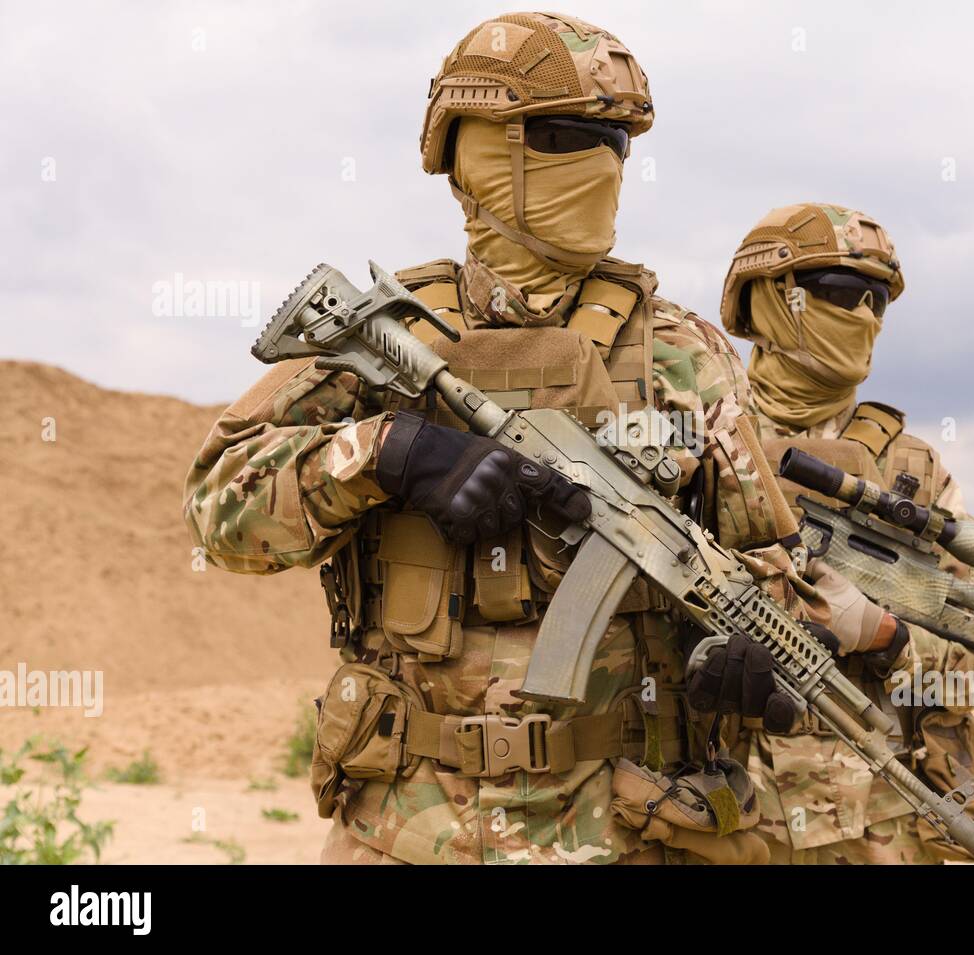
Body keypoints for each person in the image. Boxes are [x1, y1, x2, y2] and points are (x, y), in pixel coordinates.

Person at [183, 13, 848, 865]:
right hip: (412, 829)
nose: (605, 163)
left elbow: (769, 560)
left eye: (618, 141)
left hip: (636, 829)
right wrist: (384, 455)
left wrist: (757, 647)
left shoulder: (683, 354)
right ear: (479, 149)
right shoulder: (393, 334)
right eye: (572, 134)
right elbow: (217, 508)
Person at [719, 202, 974, 863]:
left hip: (876, 825)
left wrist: (889, 636)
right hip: (720, 817)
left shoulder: (913, 472)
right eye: (841, 292)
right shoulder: (698, 442)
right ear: (769, 297)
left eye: (878, 300)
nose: (864, 316)